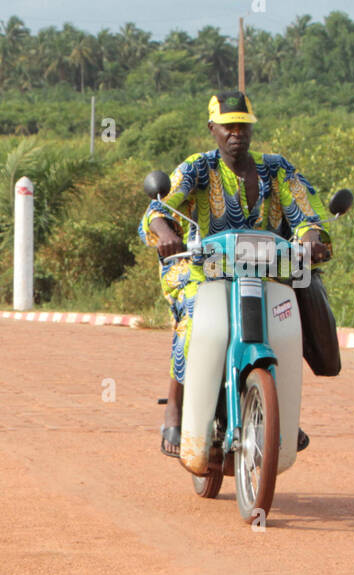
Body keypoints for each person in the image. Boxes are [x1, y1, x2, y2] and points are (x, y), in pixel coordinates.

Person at [139, 90, 333, 457]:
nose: (236, 133)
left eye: (243, 126)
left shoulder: (277, 169)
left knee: (287, 317)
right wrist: (165, 234)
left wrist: (310, 239)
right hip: (201, 267)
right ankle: (176, 406)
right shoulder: (198, 167)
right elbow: (157, 210)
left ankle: (278, 410)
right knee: (194, 316)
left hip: (267, 272)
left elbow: (308, 215)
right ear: (213, 128)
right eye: (228, 126)